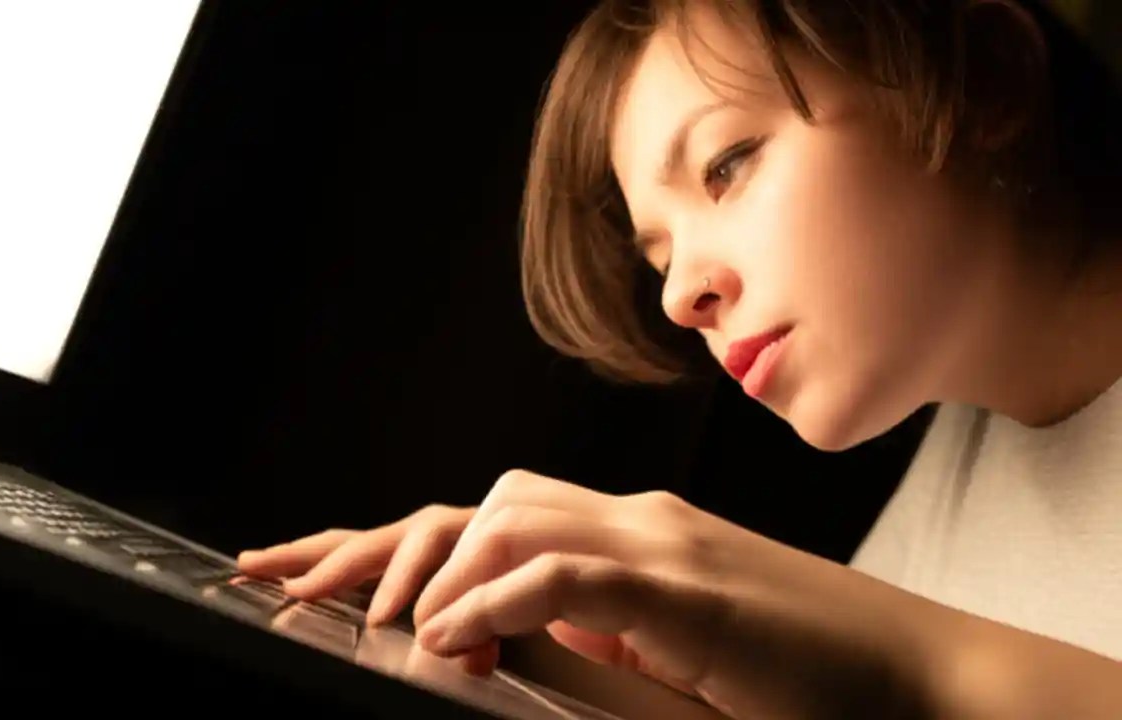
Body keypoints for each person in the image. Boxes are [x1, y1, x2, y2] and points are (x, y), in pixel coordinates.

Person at [238, 1, 1122, 717]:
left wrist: (898, 664)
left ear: (987, 81)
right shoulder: (947, 492)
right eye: (659, 256)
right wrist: (529, 662)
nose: (677, 296)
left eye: (726, 165)